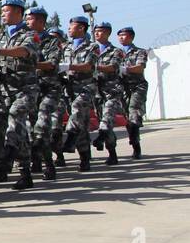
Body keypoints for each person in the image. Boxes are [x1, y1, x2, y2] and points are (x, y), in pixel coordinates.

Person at [0, 0, 40, 189]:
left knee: (16, 118)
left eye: (5, 11)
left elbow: (24, 51)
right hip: (2, 90)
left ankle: (10, 159)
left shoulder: (30, 34)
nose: (2, 14)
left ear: (18, 12)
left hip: (25, 89)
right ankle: (17, 170)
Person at [56, 16, 99, 172]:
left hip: (86, 88)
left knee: (77, 108)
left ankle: (70, 137)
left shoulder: (92, 46)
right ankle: (85, 158)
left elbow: (88, 66)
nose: (69, 29)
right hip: (69, 89)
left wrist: (68, 66)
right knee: (82, 123)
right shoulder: (65, 47)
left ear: (81, 28)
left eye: (72, 26)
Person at [26, 8, 64, 180]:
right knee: (31, 128)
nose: (27, 21)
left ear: (41, 22)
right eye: (26, 18)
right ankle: (36, 161)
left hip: (49, 89)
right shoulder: (25, 39)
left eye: (31, 19)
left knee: (41, 127)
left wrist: (27, 64)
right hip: (30, 89)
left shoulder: (52, 42)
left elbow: (51, 64)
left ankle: (49, 165)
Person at [90, 22, 125, 166]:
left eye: (100, 31)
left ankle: (100, 138)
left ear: (107, 33)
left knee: (106, 119)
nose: (97, 33)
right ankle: (112, 153)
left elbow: (113, 67)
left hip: (112, 91)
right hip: (97, 93)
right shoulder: (90, 50)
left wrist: (92, 67)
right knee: (106, 123)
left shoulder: (115, 51)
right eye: (96, 31)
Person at [115, 27, 147, 158]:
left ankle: (136, 146)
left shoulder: (140, 51)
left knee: (133, 112)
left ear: (131, 37)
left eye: (124, 35)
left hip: (137, 87)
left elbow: (140, 68)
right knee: (128, 119)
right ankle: (135, 143)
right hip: (123, 88)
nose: (121, 38)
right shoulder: (115, 53)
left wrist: (125, 70)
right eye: (119, 36)